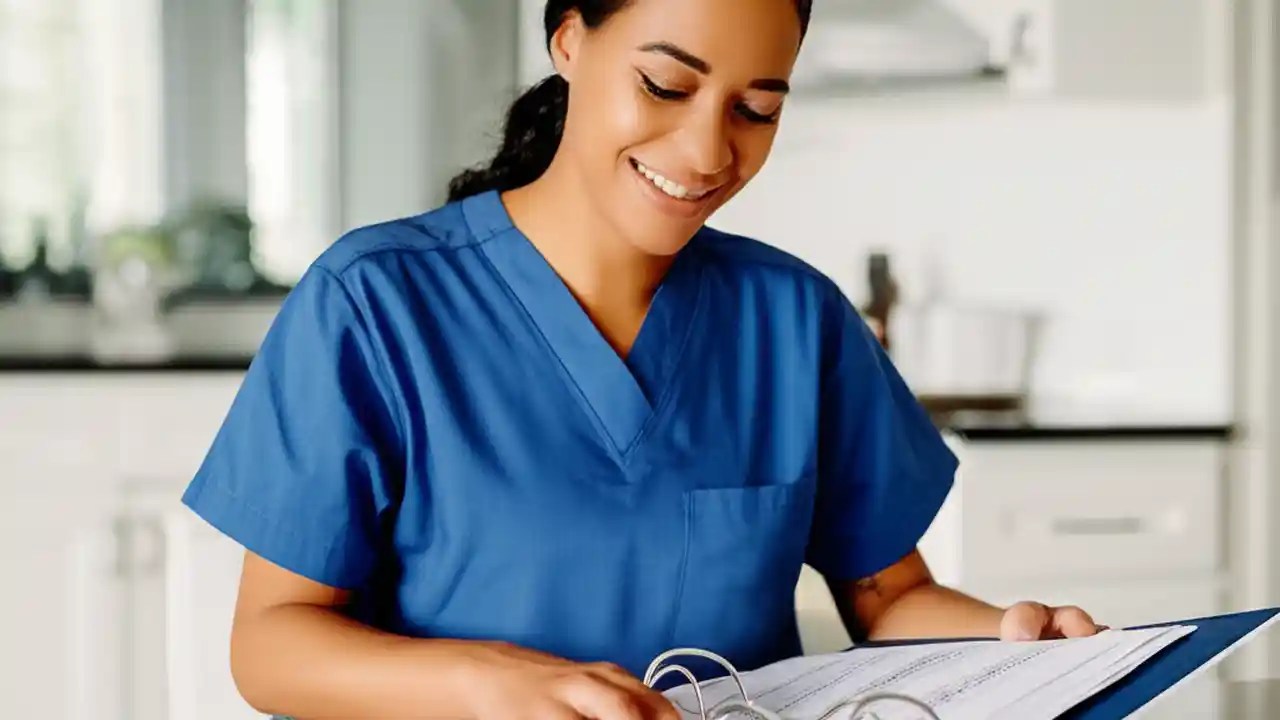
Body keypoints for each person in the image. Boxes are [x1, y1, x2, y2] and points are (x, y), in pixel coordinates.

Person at [181, 1, 1100, 718]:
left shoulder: (793, 317)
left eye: (756, 107)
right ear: (570, 40)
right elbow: (270, 649)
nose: (708, 151)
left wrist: (1009, 636)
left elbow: (892, 599)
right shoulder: (375, 303)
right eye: (666, 85)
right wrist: (489, 687)